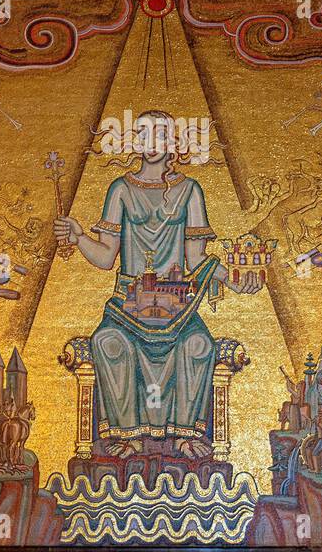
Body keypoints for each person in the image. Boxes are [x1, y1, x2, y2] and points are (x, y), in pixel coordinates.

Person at [54, 110, 260, 459]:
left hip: (176, 308)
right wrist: (78, 237)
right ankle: (126, 437)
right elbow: (106, 258)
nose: (151, 144)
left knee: (198, 345)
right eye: (143, 135)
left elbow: (197, 261)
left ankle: (184, 435)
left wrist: (235, 281)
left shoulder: (189, 191)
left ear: (173, 142)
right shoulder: (120, 189)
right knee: (107, 342)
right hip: (128, 308)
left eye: (159, 135)